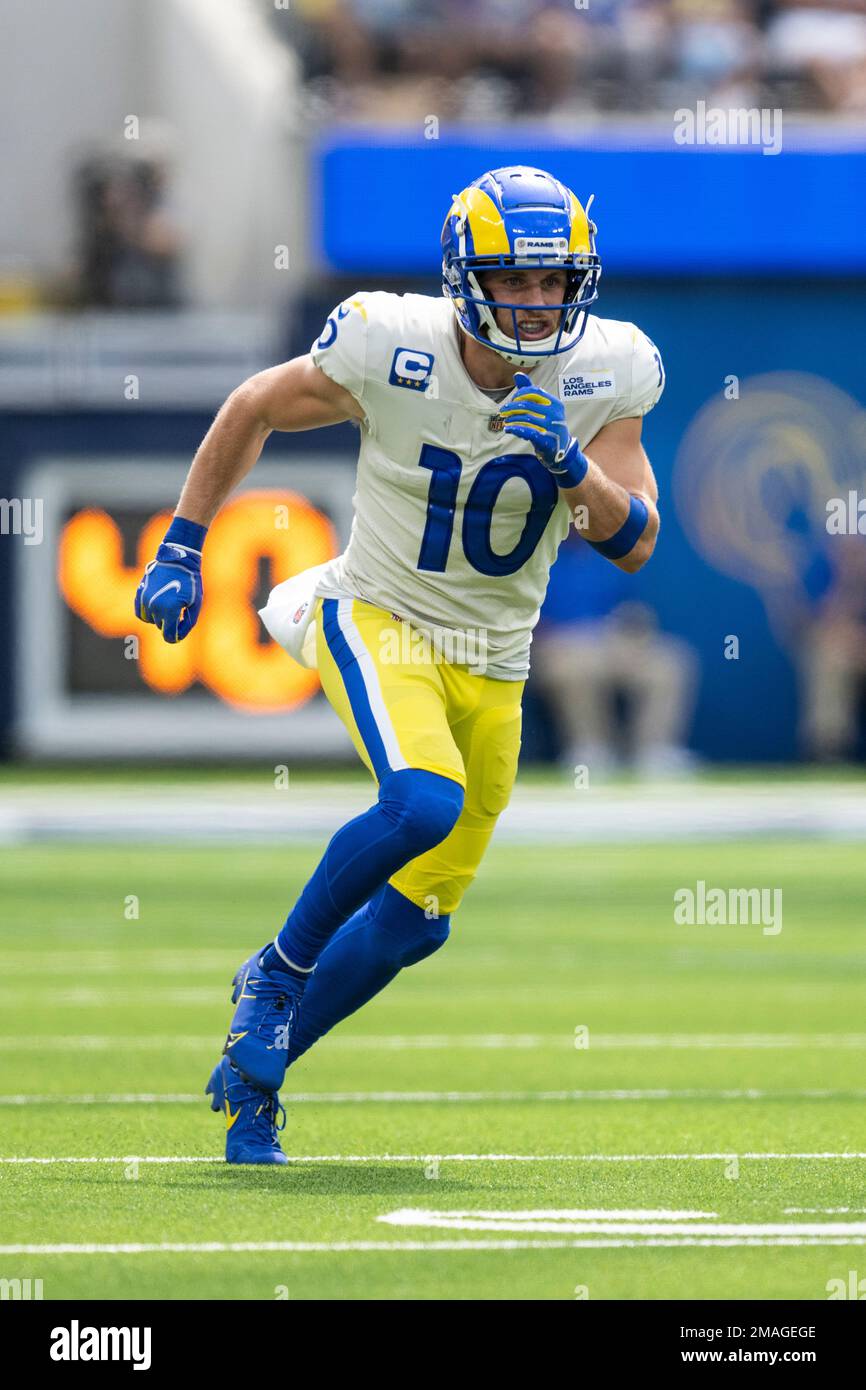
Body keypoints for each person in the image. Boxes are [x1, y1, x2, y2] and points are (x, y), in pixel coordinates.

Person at [134, 165, 664, 1162]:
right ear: (466, 278)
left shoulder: (609, 368)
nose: (539, 301)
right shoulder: (390, 340)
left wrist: (572, 466)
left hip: (495, 659)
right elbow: (253, 403)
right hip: (375, 612)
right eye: (516, 280)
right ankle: (275, 972)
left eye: (555, 282)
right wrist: (181, 542)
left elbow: (634, 537)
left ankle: (259, 1076)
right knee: (420, 799)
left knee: (416, 921)